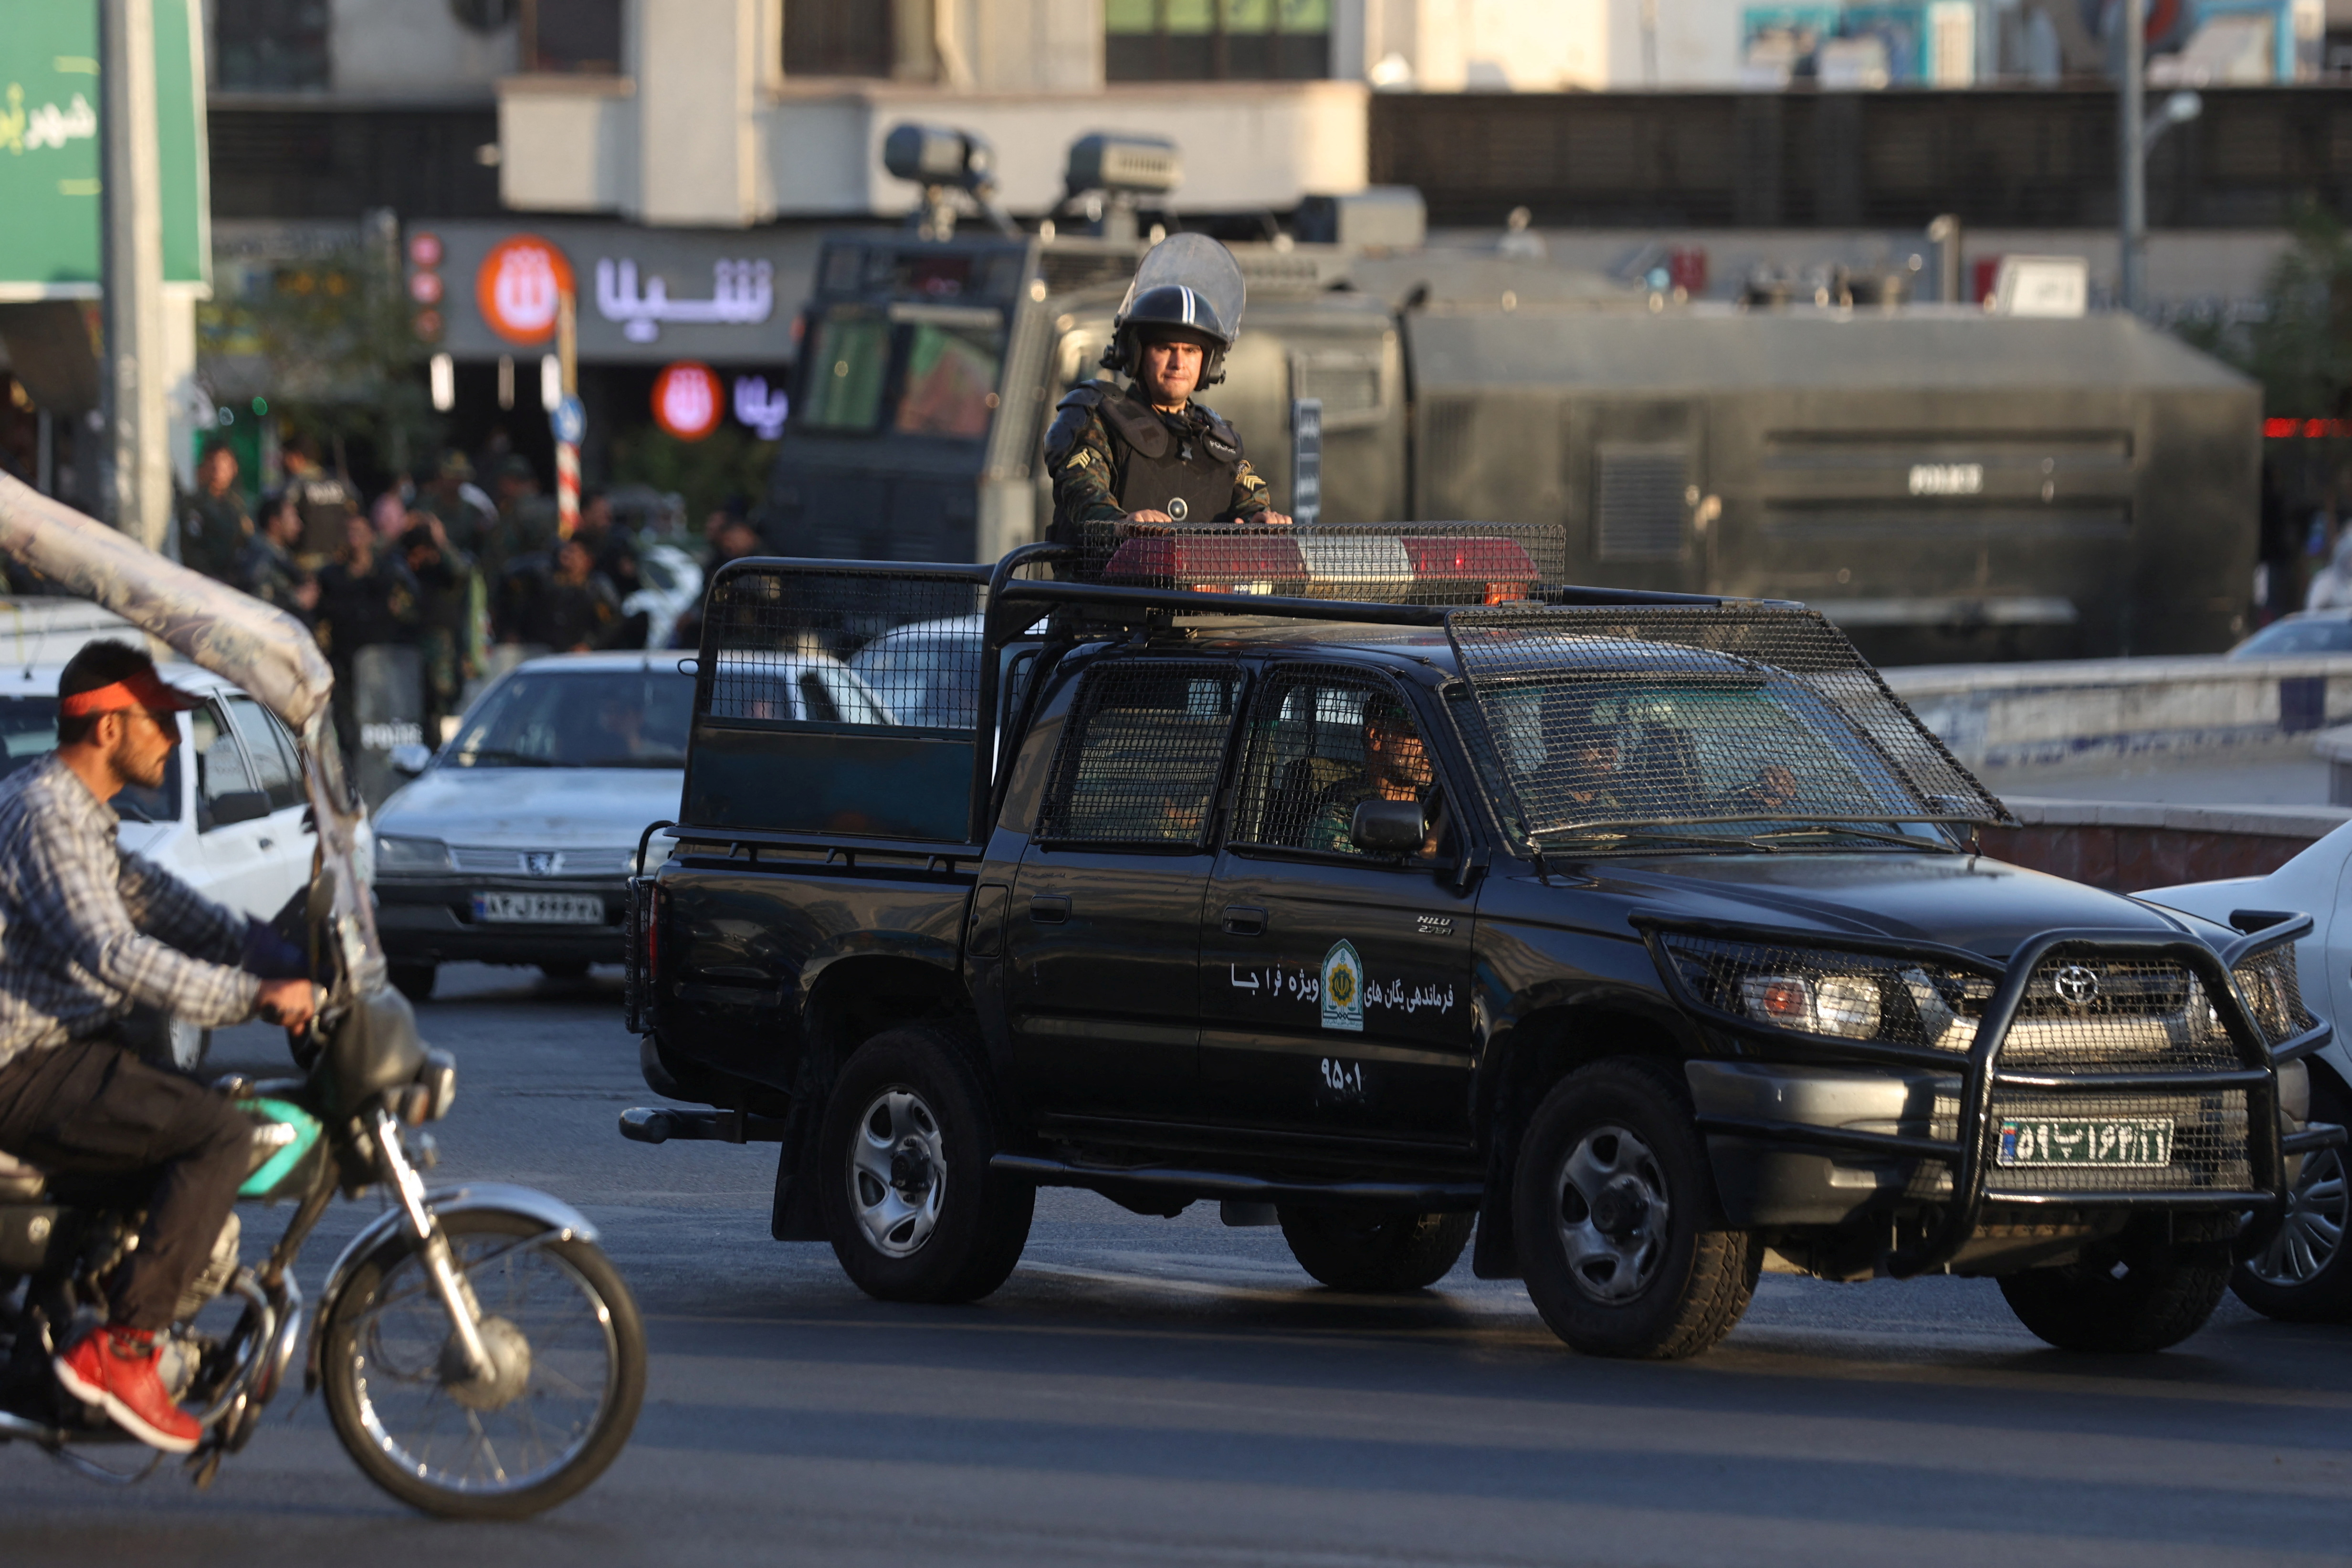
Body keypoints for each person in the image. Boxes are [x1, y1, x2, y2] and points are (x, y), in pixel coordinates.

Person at [0, 642, 315, 1452]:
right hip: (21, 1068)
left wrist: (283, 954)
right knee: (219, 1132)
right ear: (110, 726)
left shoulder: (82, 816)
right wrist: (253, 996)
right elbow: (113, 951)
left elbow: (165, 903)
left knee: (193, 1099)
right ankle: (128, 1347)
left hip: (57, 1050)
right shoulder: (46, 813)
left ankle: (57, 1317)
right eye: (161, 723)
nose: (175, 741)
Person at [1045, 243, 1290, 551]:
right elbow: (1084, 495)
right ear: (1138, 354)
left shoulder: (1216, 439)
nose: (1178, 363)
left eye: (1191, 351)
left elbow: (1251, 500)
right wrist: (1123, 525)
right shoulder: (1098, 418)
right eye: (1165, 348)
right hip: (1110, 595)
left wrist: (1261, 521)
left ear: (1207, 363)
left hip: (1197, 598)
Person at [314, 516, 421, 761]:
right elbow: (321, 619)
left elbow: (410, 612)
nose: (355, 540)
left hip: (380, 665)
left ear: (371, 537)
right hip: (344, 663)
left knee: (382, 725)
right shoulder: (331, 577)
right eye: (350, 533)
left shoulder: (387, 574)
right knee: (348, 726)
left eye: (360, 533)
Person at [1301, 699, 1444, 856]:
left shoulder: (1440, 804)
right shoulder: (1342, 816)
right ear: (1377, 736)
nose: (1429, 747)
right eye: (1416, 734)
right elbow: (1351, 877)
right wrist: (1431, 845)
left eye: (1434, 737)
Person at [399, 513, 480, 739]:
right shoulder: (411, 576)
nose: (412, 560)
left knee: (444, 706)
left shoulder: (446, 574)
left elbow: (461, 571)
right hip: (414, 652)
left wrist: (441, 541)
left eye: (418, 554)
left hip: (444, 650)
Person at [513, 536, 624, 653]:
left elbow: (613, 622)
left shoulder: (596, 588)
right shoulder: (545, 580)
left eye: (574, 553)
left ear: (588, 560)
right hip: (541, 651)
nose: (567, 556)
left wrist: (589, 644)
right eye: (566, 550)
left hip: (580, 656)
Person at [236, 488, 319, 627]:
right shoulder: (260, 557)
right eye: (293, 518)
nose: (299, 525)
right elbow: (257, 604)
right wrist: (297, 601)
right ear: (275, 523)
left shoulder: (279, 554)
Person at [177, 438, 250, 583]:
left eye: (224, 463)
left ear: (233, 469)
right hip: (206, 584)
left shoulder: (237, 505)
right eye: (213, 462)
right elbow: (192, 552)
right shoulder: (194, 505)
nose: (218, 470)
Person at [280, 433, 355, 571]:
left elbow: (283, 520)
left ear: (295, 457)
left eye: (284, 457)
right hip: (338, 563)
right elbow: (355, 515)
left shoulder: (296, 485)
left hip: (305, 563)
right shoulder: (339, 482)